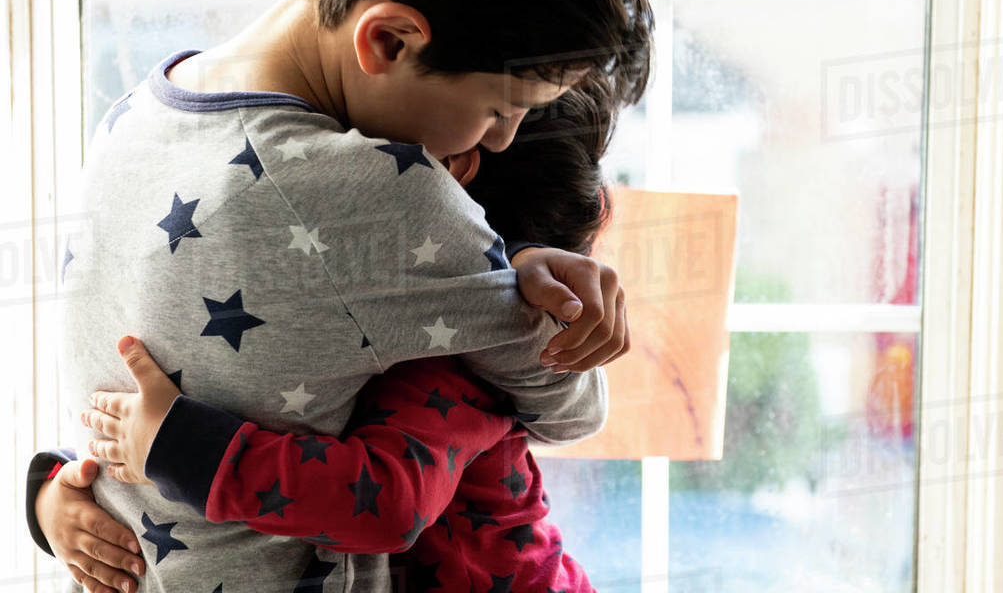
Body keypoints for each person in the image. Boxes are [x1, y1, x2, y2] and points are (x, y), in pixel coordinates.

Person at [39, 0, 653, 590]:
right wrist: (517, 267)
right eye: (501, 109)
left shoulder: (130, 118)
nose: (499, 141)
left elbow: (112, 392)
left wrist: (42, 495)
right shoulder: (385, 196)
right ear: (388, 39)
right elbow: (571, 403)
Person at [31, 81, 618, 593]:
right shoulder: (370, 302)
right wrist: (54, 492)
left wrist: (183, 447)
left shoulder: (454, 361)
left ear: (449, 172)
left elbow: (386, 503)